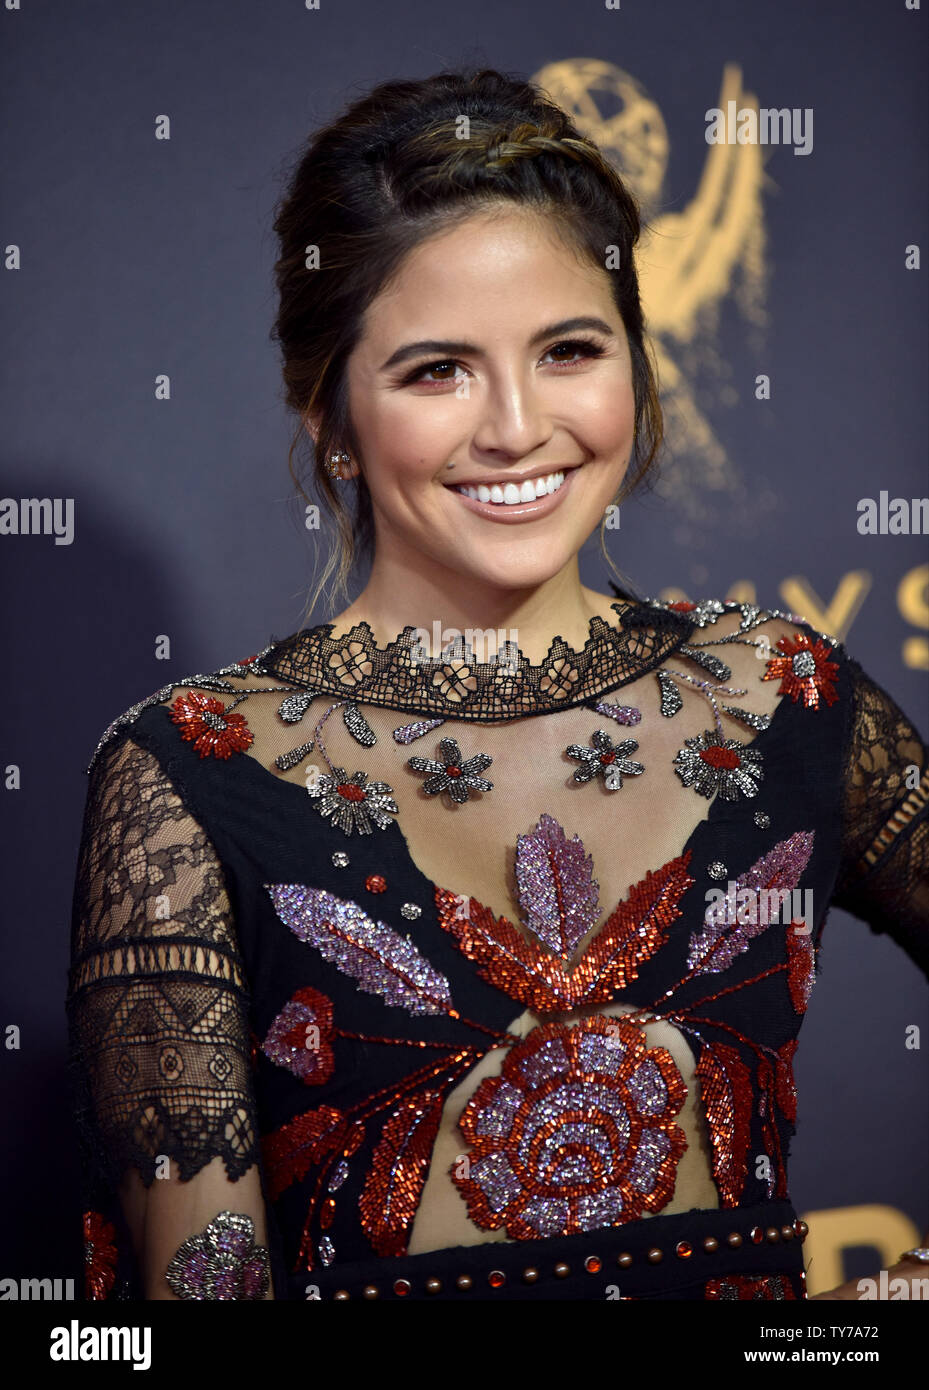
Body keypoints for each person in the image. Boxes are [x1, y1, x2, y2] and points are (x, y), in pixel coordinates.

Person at [66, 66, 928, 1302]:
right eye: (437, 371)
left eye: (569, 349)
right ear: (330, 417)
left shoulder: (780, 698)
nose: (517, 425)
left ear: (633, 361)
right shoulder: (190, 773)